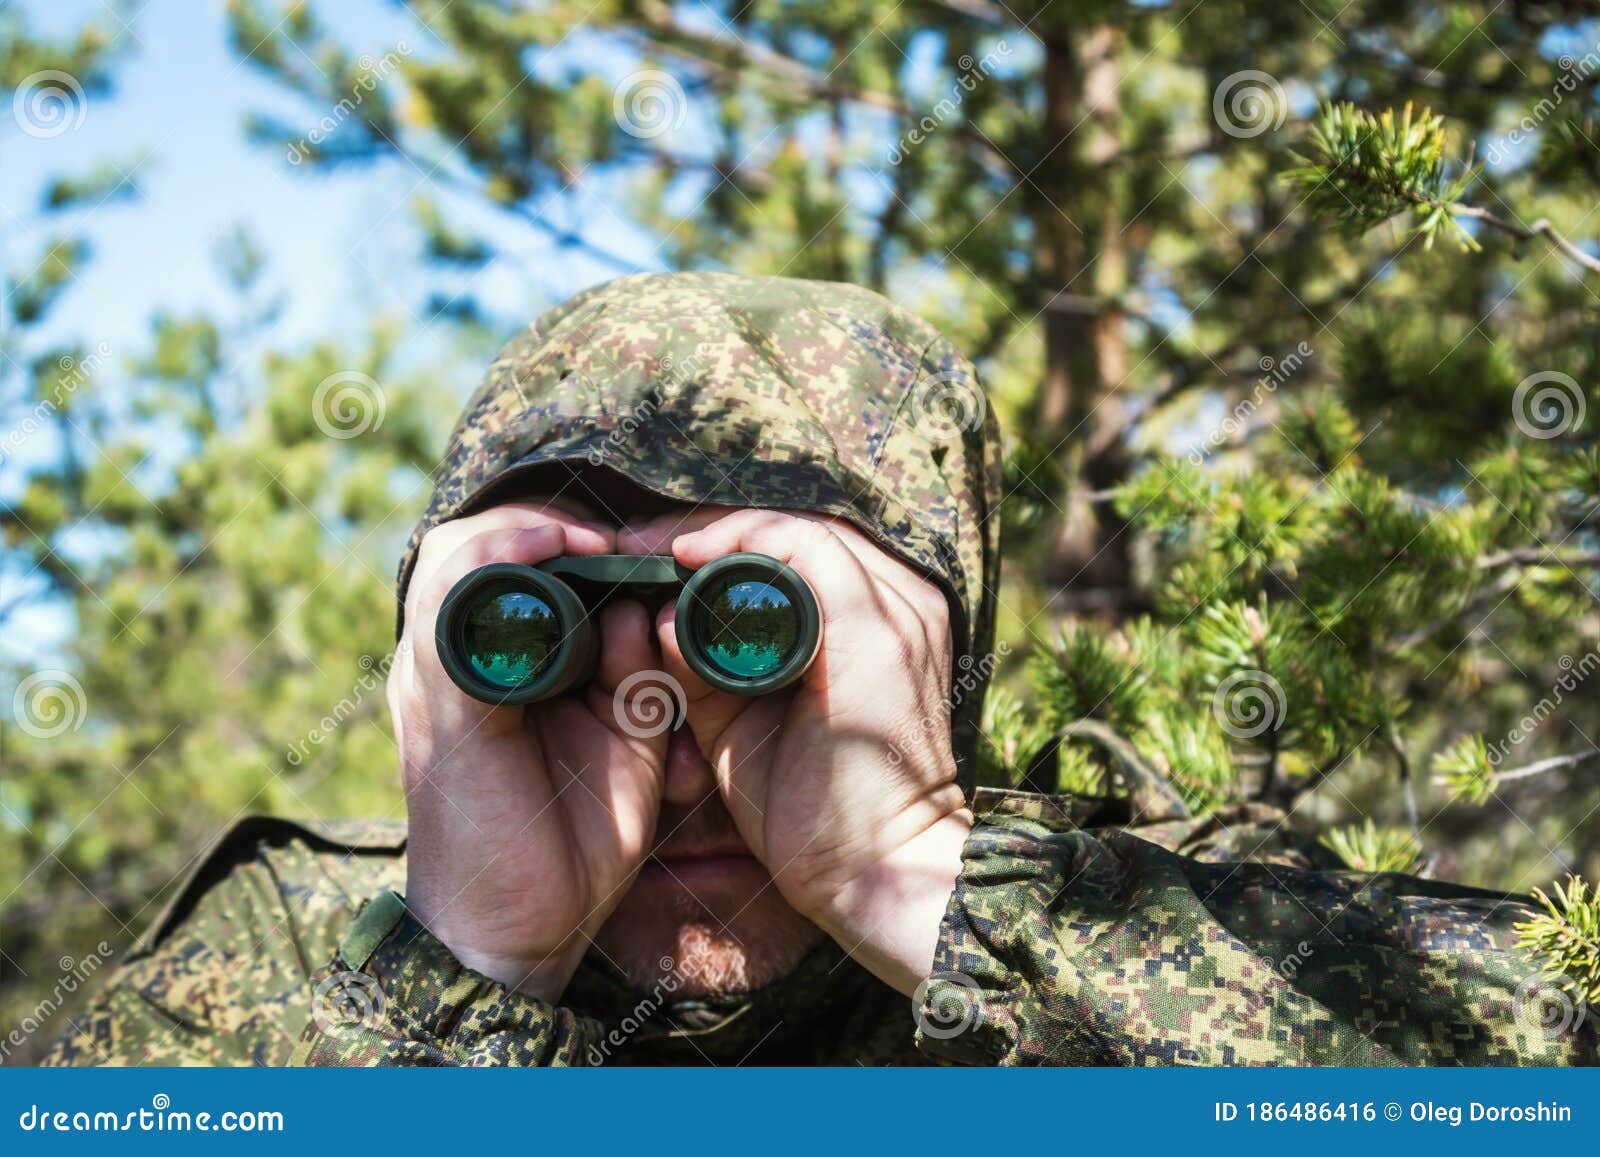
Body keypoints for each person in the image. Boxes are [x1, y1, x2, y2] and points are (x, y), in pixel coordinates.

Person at [43, 273, 1597, 1066]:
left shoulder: (1153, 930)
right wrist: (460, 974)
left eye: (756, 632)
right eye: (555, 637)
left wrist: (908, 875)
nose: (666, 719)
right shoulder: (265, 976)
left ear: (929, 642)